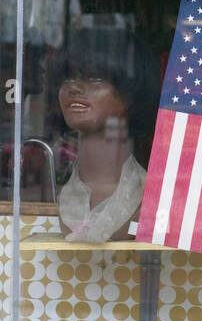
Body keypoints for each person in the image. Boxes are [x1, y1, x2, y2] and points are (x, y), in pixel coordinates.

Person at [52, 25, 156, 243]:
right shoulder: (59, 189)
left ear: (130, 92)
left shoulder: (153, 197)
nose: (74, 88)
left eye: (94, 78)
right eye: (68, 77)